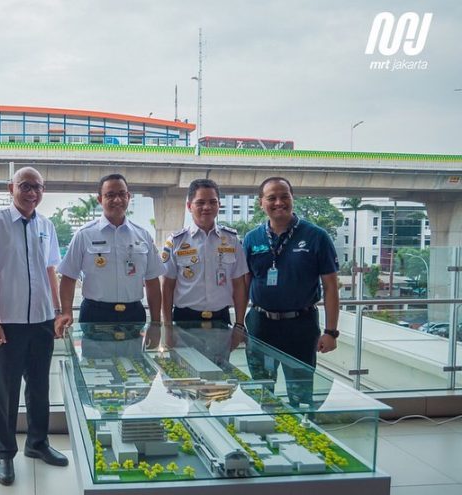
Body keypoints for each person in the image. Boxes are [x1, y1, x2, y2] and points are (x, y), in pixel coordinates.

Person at [0, 167, 68, 487]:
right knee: (6, 391)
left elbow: (50, 270)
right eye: (26, 186)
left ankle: (37, 443)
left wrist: (57, 312)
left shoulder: (46, 225)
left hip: (42, 321)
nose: (32, 193)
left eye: (38, 187)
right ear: (11, 188)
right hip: (7, 324)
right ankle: (5, 454)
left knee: (40, 388)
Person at [242, 176, 340, 406]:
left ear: (292, 198)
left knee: (301, 395)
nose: (279, 202)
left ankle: (301, 437)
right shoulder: (251, 238)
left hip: (300, 327)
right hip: (261, 325)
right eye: (271, 198)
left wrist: (331, 331)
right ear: (261, 203)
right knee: (262, 393)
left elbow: (331, 287)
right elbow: (243, 285)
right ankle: (265, 436)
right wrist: (239, 324)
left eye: (284, 196)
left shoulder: (316, 237)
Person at [57, 174, 164, 338]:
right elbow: (68, 277)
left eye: (122, 194)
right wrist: (66, 312)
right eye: (110, 195)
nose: (117, 200)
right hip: (95, 315)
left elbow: (152, 281)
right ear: (100, 199)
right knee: (95, 362)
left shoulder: (143, 235)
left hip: (133, 315)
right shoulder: (84, 234)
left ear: (129, 197)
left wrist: (156, 322)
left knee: (134, 362)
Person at [161, 179, 249, 363]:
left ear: (219, 205)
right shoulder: (176, 241)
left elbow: (240, 285)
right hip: (184, 321)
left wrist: (239, 325)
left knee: (218, 379)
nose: (206, 207)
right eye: (200, 202)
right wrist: (167, 327)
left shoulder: (231, 240)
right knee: (186, 378)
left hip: (221, 321)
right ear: (189, 206)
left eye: (212, 202)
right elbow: (167, 287)